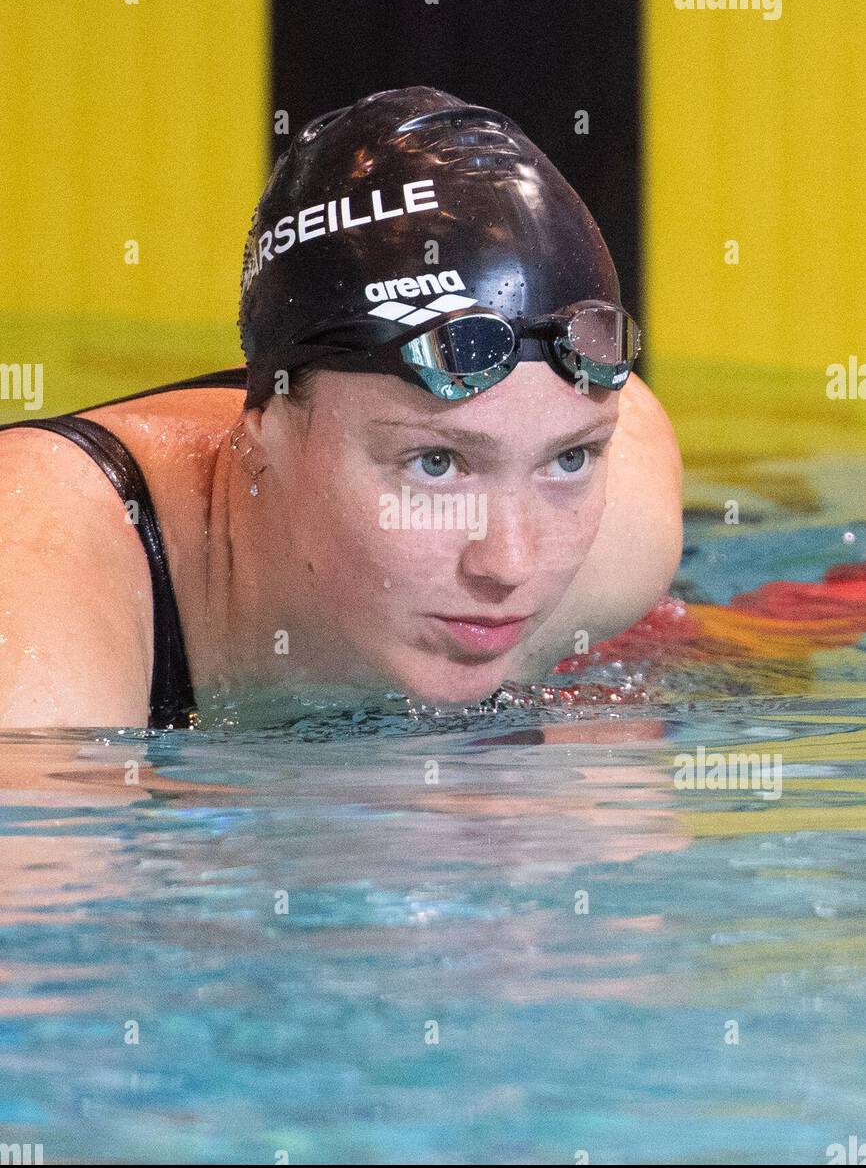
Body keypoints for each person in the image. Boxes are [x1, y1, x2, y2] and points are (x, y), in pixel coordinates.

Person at [0, 86, 682, 729]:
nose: (510, 566)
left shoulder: (623, 533)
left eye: (568, 458)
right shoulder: (37, 585)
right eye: (437, 464)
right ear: (263, 422)